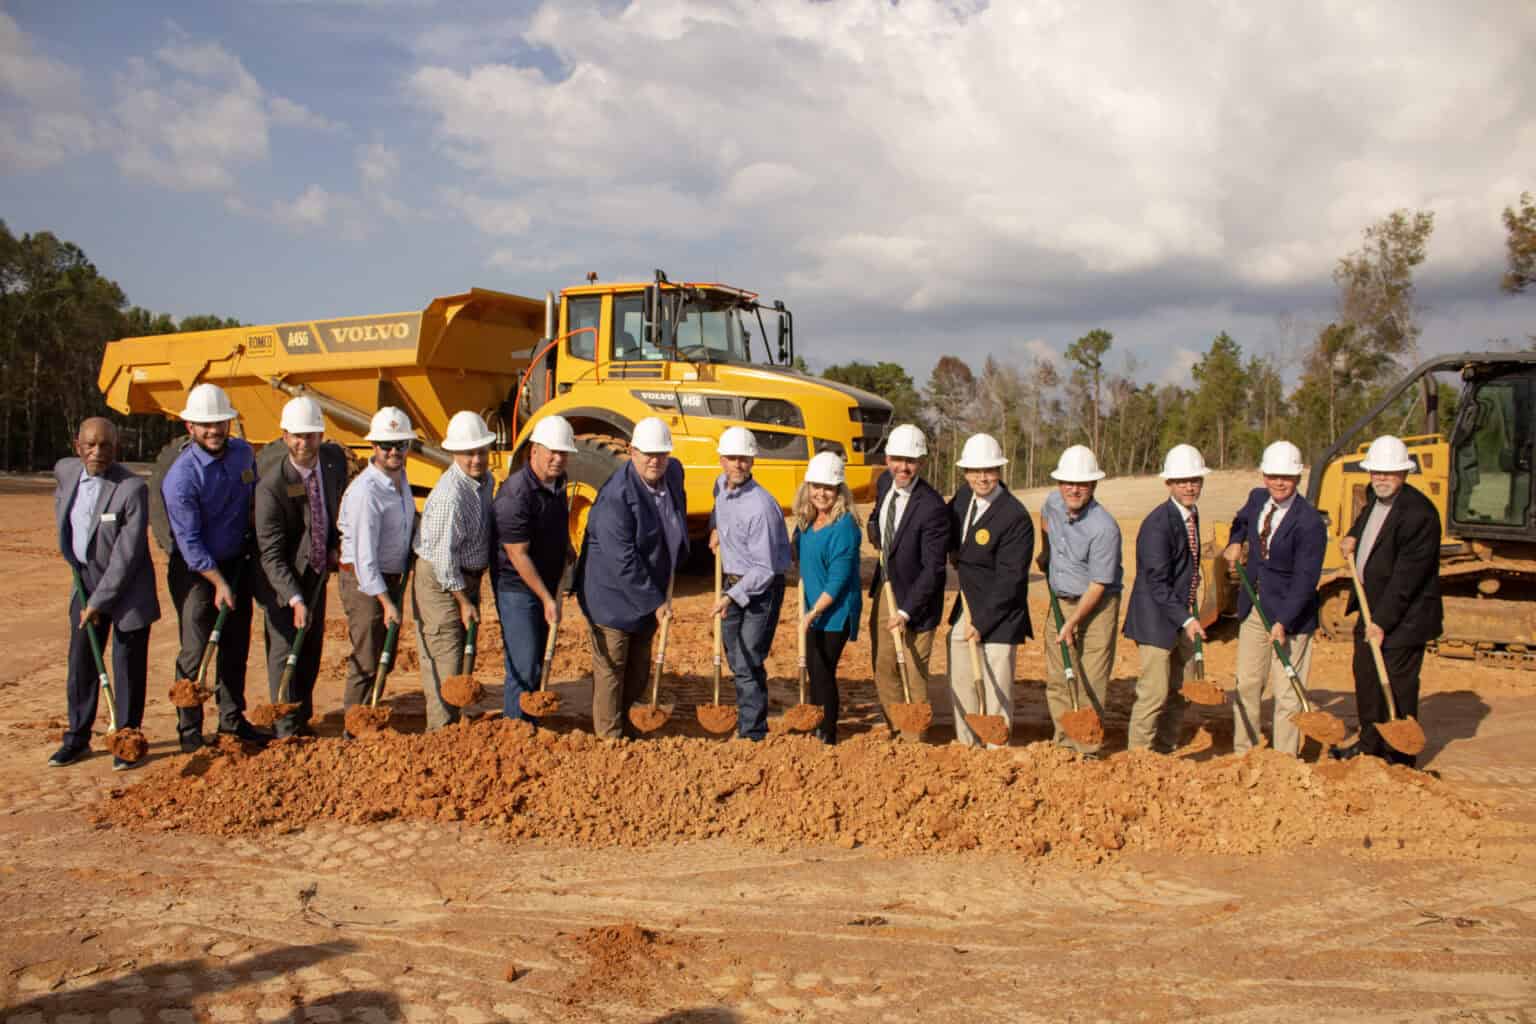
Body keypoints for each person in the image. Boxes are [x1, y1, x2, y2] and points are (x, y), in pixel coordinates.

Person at [162, 382, 266, 751]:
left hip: (236, 561)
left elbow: (252, 497)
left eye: (220, 423)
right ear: (190, 427)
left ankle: (232, 720)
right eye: (206, 425)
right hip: (196, 571)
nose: (214, 431)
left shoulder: (242, 454)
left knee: (235, 645)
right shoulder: (181, 478)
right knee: (196, 649)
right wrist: (219, 583)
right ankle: (190, 730)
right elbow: (190, 543)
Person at [51, 417, 161, 769]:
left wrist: (99, 601)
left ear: (117, 448)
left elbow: (127, 556)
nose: (98, 452)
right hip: (85, 583)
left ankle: (126, 742)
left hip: (128, 589)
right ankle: (77, 738)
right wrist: (86, 589)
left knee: (127, 665)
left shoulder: (131, 488)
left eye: (106, 446)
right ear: (77, 446)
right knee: (82, 662)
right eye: (91, 445)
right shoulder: (66, 471)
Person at [574, 417, 688, 739]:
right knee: (613, 668)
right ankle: (610, 738)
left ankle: (628, 725)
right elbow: (623, 562)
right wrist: (656, 603)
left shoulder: (673, 471)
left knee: (638, 669)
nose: (655, 460)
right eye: (648, 454)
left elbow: (677, 510)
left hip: (648, 587)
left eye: (661, 453)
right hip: (611, 595)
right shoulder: (617, 498)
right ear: (632, 452)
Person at [1335, 435, 1443, 767]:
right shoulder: (1375, 497)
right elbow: (1367, 521)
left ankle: (1399, 759)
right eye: (1376, 471)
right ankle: (1369, 748)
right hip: (1371, 607)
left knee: (1396, 687)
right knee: (1367, 679)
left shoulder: (1419, 515)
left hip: (1404, 618)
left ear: (1404, 473)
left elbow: (1406, 581)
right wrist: (1353, 535)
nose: (1381, 478)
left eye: (1389, 472)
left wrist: (1381, 622)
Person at [1222, 440, 1327, 756]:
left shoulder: (1309, 522)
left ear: (1298, 478)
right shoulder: (1257, 498)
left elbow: (1306, 580)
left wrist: (1283, 621)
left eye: (1286, 477)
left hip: (1291, 615)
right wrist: (1236, 541)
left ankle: (1284, 760)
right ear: (1264, 475)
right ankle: (1244, 752)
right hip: (1254, 606)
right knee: (1248, 684)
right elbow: (1241, 521)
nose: (1279, 483)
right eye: (1272, 476)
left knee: (1287, 693)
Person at [252, 397, 347, 738]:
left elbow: (332, 510)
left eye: (310, 435)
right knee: (285, 652)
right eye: (297, 436)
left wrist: (333, 547)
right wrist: (294, 598)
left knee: (310, 648)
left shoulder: (333, 463)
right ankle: (285, 729)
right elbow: (271, 554)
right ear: (284, 437)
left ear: (321, 435)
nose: (303, 443)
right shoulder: (272, 487)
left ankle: (302, 717)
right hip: (282, 580)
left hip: (316, 574)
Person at [946, 433, 1033, 748]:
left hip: (1000, 613)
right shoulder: (961, 499)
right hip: (968, 604)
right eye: (975, 470)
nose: (982, 477)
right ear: (965, 472)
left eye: (990, 470)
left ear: (999, 470)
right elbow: (946, 530)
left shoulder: (1015, 516)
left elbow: (1011, 579)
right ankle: (967, 745)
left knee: (996, 688)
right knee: (961, 674)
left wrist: (981, 622)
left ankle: (997, 751)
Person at [1124, 444, 1210, 753]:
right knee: (1154, 692)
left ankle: (1164, 746)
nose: (1189, 487)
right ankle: (1138, 755)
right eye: (1182, 481)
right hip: (1155, 620)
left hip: (1179, 616)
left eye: (1194, 480)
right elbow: (1156, 582)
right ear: (1169, 483)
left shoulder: (1191, 514)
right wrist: (1187, 619)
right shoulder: (1157, 525)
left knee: (1181, 689)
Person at [1037, 445, 1121, 756]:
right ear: (1060, 483)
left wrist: (1073, 621)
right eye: (1068, 483)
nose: (1074, 489)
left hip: (1097, 606)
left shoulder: (1104, 528)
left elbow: (1098, 584)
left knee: (1090, 679)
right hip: (1061, 600)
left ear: (1093, 485)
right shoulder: (1053, 502)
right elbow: (1044, 519)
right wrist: (1046, 551)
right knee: (1059, 677)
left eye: (1082, 484)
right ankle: (1064, 745)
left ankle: (1087, 749)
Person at [866, 423, 950, 738]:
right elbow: (879, 516)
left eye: (911, 461)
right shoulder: (883, 482)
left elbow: (933, 569)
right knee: (884, 667)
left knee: (913, 674)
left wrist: (906, 611)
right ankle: (897, 728)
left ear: (922, 462)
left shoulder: (932, 507)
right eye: (898, 459)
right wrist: (874, 528)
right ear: (887, 458)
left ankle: (915, 740)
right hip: (886, 590)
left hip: (917, 603)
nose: (903, 467)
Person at [415, 410, 496, 731]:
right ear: (453, 453)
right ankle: (440, 732)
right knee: (446, 656)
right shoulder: (449, 497)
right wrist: (463, 601)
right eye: (468, 453)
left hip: (466, 576)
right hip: (442, 580)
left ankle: (455, 724)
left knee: (464, 652)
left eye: (481, 451)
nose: (476, 459)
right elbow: (443, 560)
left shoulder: (485, 481)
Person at [710, 427, 792, 741]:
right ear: (721, 459)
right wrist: (716, 527)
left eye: (744, 459)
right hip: (732, 580)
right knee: (734, 654)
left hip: (761, 588)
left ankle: (752, 731)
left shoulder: (761, 507)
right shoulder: (721, 485)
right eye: (732, 458)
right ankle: (751, 716)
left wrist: (731, 597)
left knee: (747, 658)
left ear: (753, 461)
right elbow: (719, 505)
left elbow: (764, 568)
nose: (738, 464)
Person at [493, 415, 576, 723]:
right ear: (534, 451)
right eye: (552, 451)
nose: (558, 458)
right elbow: (518, 554)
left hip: (544, 583)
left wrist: (565, 547)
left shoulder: (558, 484)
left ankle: (530, 727)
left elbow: (553, 523)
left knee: (536, 663)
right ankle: (516, 728)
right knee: (523, 665)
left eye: (563, 452)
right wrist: (546, 598)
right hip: (518, 589)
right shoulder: (516, 494)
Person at [336, 407, 417, 720]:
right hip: (365, 582)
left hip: (391, 576)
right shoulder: (365, 492)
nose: (394, 451)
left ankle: (371, 712)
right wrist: (386, 602)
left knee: (387, 651)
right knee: (369, 655)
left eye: (400, 445)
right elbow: (364, 558)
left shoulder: (401, 480)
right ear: (373, 446)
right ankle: (353, 724)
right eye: (387, 445)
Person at [791, 452, 862, 745]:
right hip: (814, 608)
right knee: (814, 667)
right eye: (816, 486)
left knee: (822, 670)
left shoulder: (844, 527)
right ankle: (816, 722)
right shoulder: (806, 521)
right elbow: (798, 552)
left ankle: (826, 733)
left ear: (839, 490)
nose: (822, 493)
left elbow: (838, 580)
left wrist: (812, 612)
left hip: (836, 611)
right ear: (808, 486)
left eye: (829, 488)